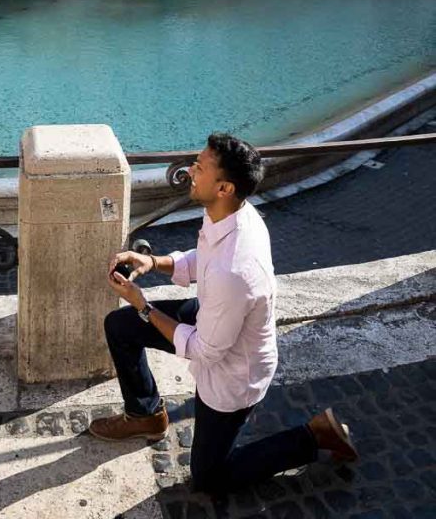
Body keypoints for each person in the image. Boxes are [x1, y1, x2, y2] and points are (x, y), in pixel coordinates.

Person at [89, 133, 358, 496]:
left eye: (199, 168)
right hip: (216, 317)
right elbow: (205, 260)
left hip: (233, 370)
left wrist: (144, 305)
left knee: (210, 479)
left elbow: (205, 350)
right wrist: (153, 262)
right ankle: (146, 415)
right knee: (120, 327)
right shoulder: (231, 213)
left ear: (224, 187)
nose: (189, 171)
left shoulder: (235, 271)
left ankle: (313, 436)